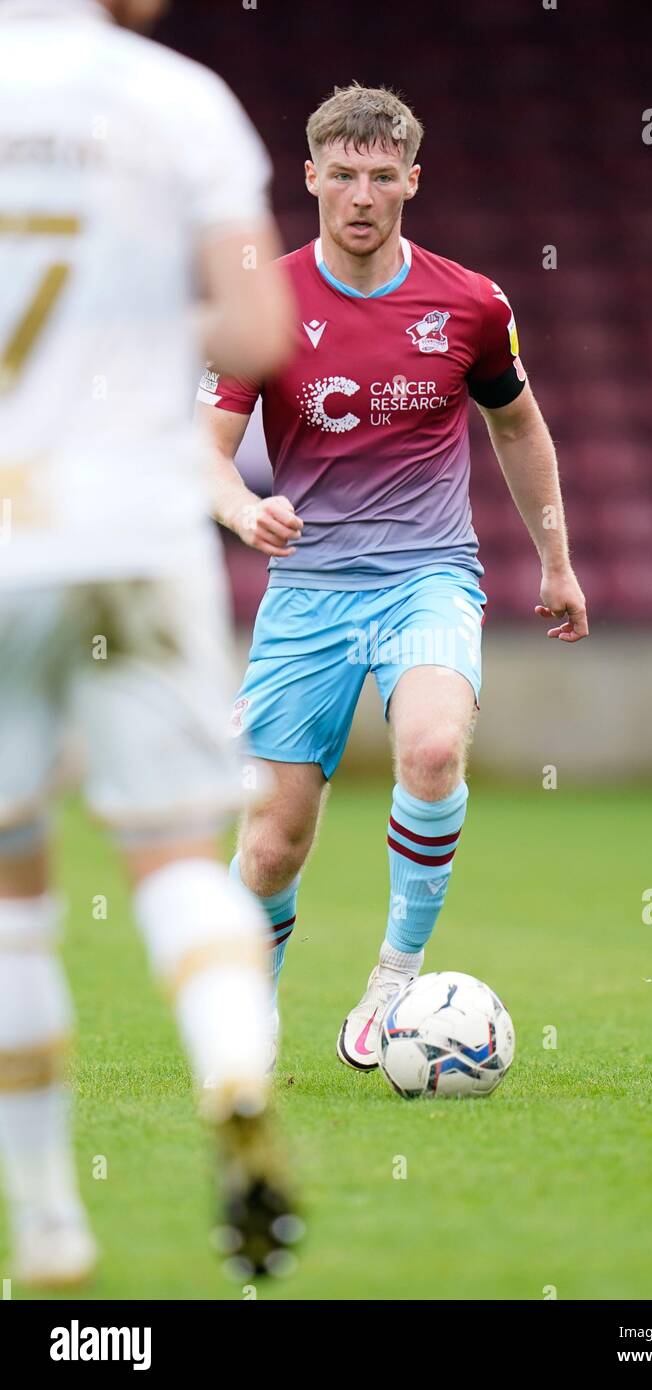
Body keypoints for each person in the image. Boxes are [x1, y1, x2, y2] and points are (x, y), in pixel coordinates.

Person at [197, 82, 588, 1074]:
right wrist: (243, 509)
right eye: (342, 175)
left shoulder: (470, 303)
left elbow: (516, 425)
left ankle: (393, 976)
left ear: (411, 180)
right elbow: (198, 452)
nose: (361, 195)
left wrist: (555, 558)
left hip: (427, 578)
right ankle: (251, 1005)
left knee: (428, 750)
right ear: (310, 177)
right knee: (274, 845)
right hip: (308, 593)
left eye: (381, 176)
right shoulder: (265, 302)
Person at [0, 0, 299, 1287]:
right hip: (135, 524)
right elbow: (256, 341)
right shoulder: (177, 98)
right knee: (177, 848)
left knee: (14, 900)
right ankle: (234, 1074)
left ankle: (53, 1224)